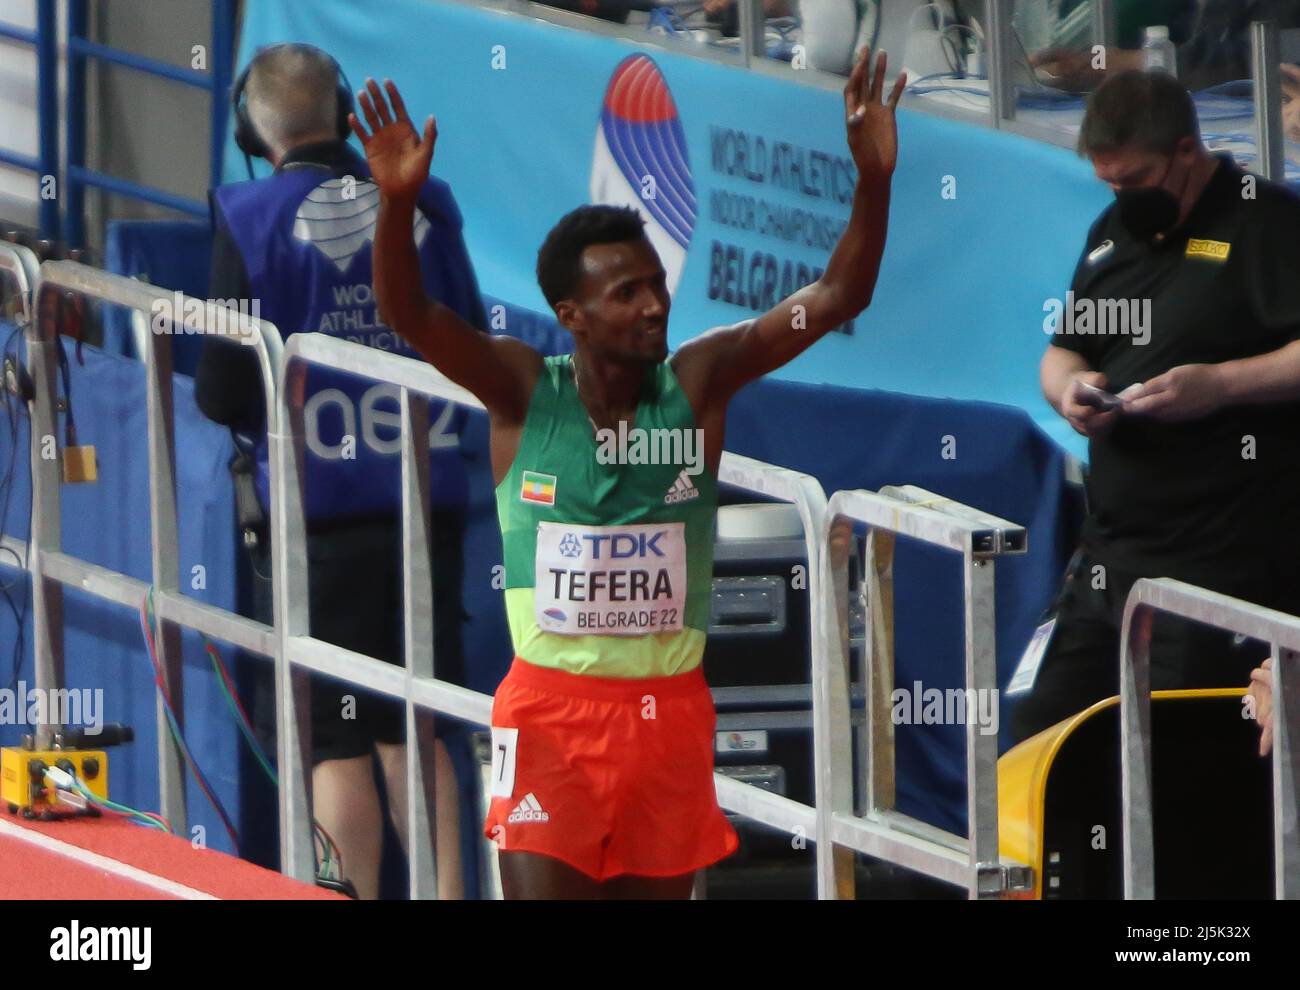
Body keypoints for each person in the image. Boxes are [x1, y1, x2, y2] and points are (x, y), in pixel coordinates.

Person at [354, 48, 903, 898]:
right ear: (571, 315)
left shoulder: (700, 381)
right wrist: (396, 206)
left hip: (666, 718)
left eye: (656, 285)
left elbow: (837, 297)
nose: (653, 305)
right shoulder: (520, 389)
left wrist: (873, 182)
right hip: (547, 720)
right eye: (626, 294)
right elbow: (409, 314)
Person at [194, 43, 484, 899]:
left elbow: (220, 388)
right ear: (345, 108)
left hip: (317, 522)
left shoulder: (247, 220)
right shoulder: (424, 201)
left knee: (339, 736)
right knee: (417, 726)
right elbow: (466, 334)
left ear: (255, 126)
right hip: (422, 508)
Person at [1012, 70, 1300, 743]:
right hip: (1109, 561)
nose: (1122, 195)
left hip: (1216, 571)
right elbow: (1062, 353)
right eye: (1109, 182)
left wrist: (1223, 385)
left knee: (1177, 762)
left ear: (1185, 152)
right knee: (1035, 741)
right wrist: (1071, 393)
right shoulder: (1114, 232)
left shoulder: (1268, 225)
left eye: (1136, 180)